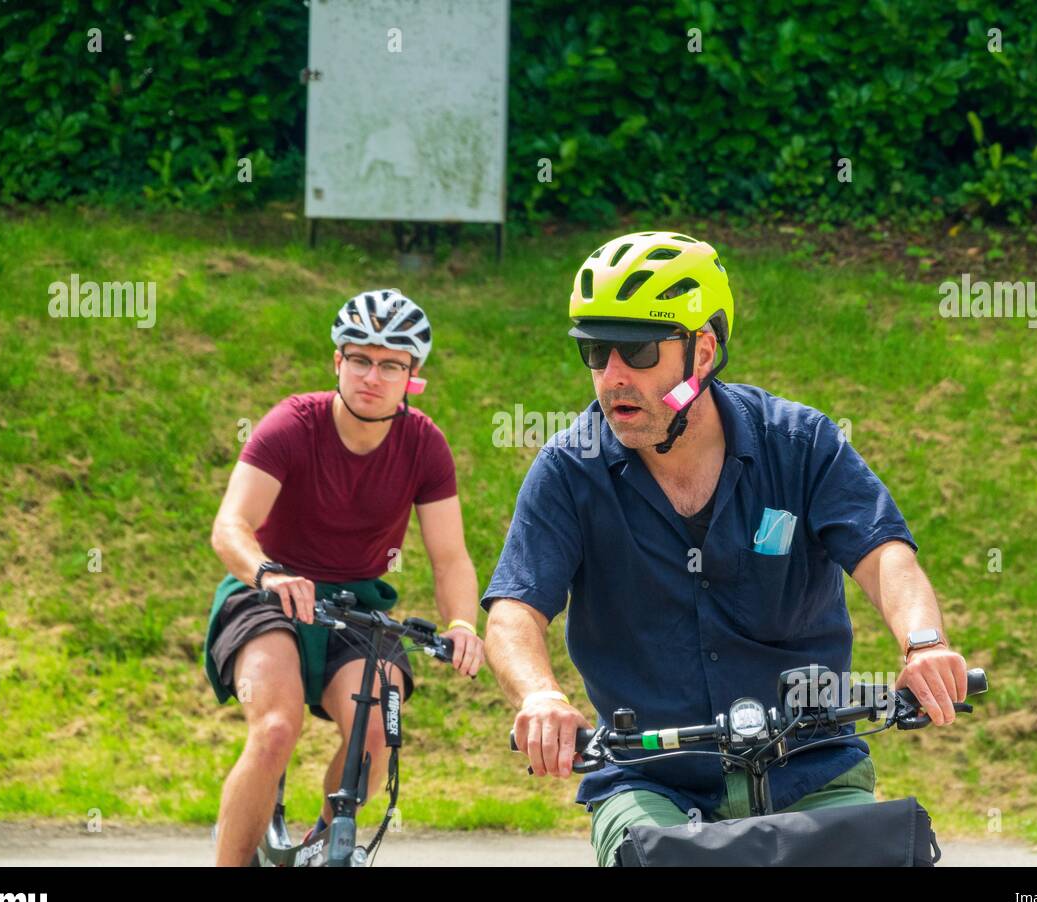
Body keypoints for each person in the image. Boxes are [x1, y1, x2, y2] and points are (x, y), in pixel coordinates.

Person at [481, 231, 969, 866]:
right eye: (596, 352)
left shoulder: (799, 444)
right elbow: (514, 609)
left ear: (701, 351)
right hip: (652, 781)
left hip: (811, 769)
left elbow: (883, 555)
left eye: (636, 350)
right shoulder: (570, 470)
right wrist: (539, 694)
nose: (612, 376)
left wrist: (923, 643)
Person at [205, 288, 484, 866]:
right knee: (276, 729)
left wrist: (462, 622)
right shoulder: (292, 423)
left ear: (413, 376)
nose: (372, 376)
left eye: (391, 364)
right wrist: (267, 573)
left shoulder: (424, 444)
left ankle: (317, 850)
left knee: (378, 733)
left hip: (356, 605)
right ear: (338, 362)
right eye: (360, 359)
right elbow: (231, 524)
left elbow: (450, 557)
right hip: (268, 595)